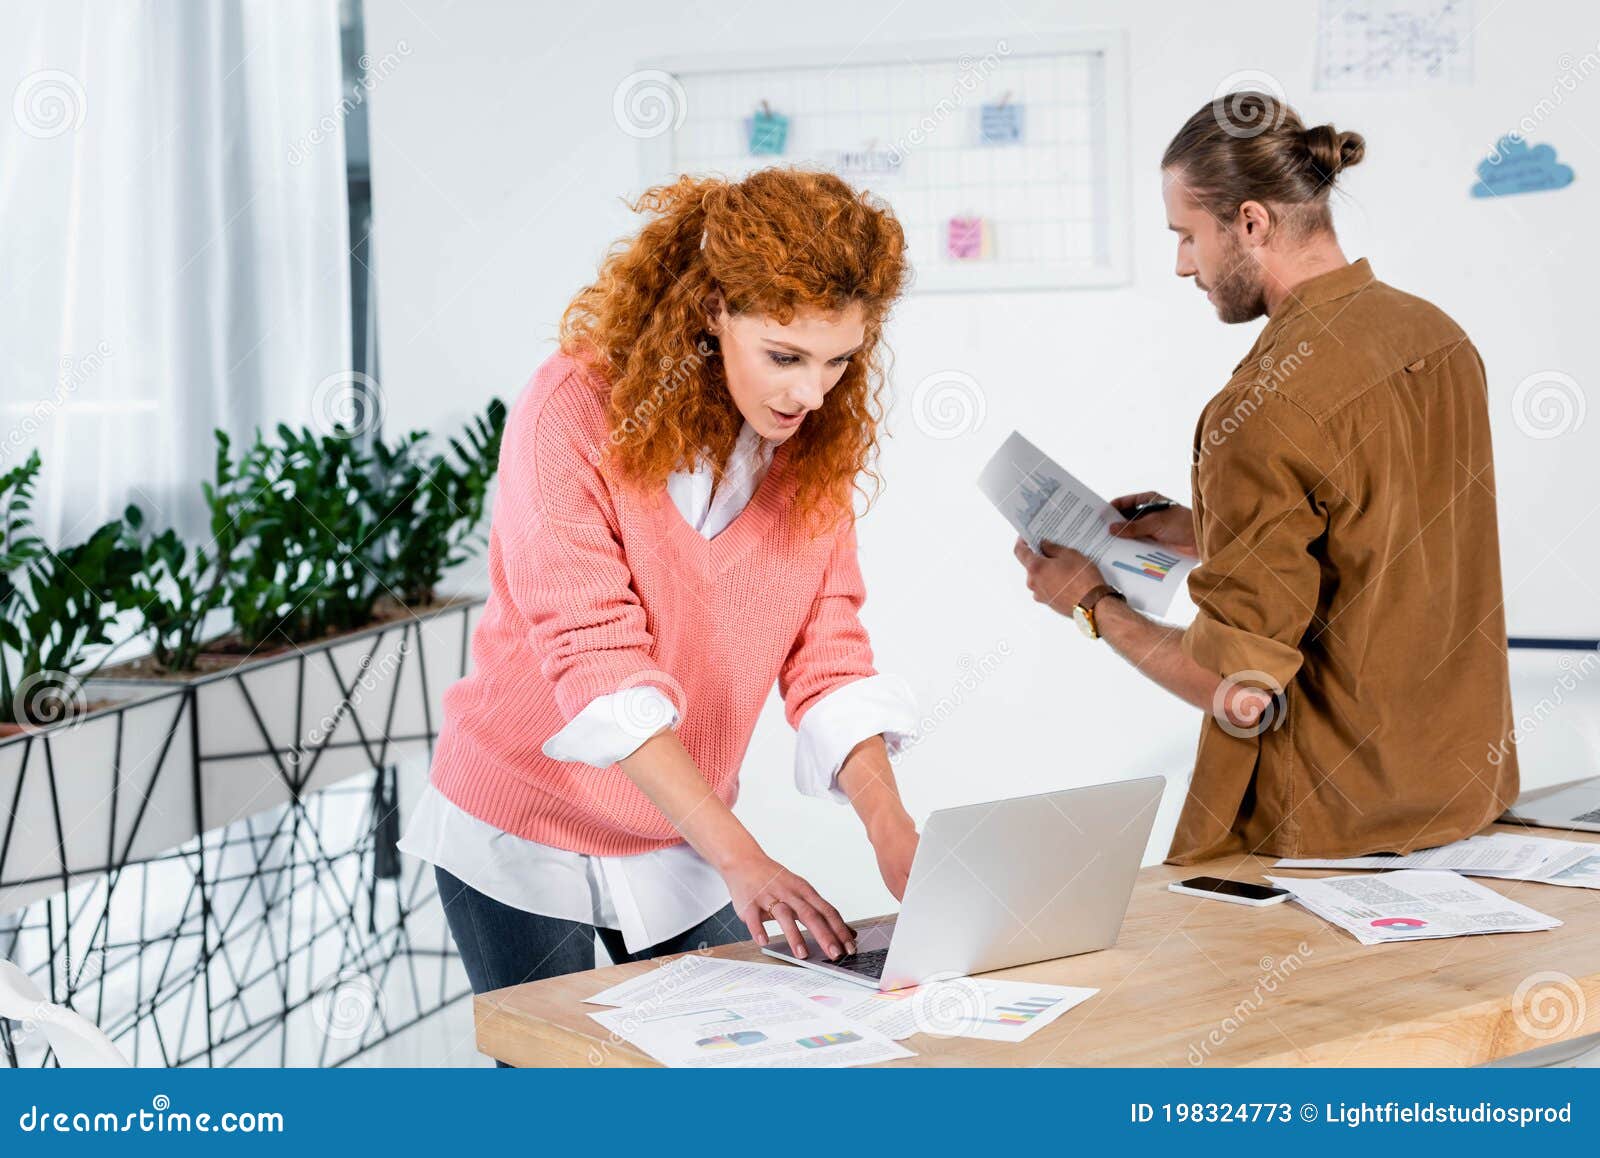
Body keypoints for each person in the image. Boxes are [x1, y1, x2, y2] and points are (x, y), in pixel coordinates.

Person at [399, 169, 922, 1022]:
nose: (811, 394)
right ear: (713, 310)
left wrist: (891, 827)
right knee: (556, 1089)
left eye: (838, 361)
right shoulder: (572, 411)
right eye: (784, 357)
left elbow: (827, 652)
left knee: (722, 1058)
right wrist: (743, 858)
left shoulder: (813, 450)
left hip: (673, 826)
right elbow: (596, 661)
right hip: (523, 819)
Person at [1012, 93, 1518, 863]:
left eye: (1187, 236)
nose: (1184, 264)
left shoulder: (1260, 410)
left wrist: (1088, 603)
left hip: (1328, 833)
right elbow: (1381, 529)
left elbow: (1238, 688)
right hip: (1464, 799)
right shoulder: (1437, 334)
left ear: (1250, 223)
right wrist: (1209, 527)